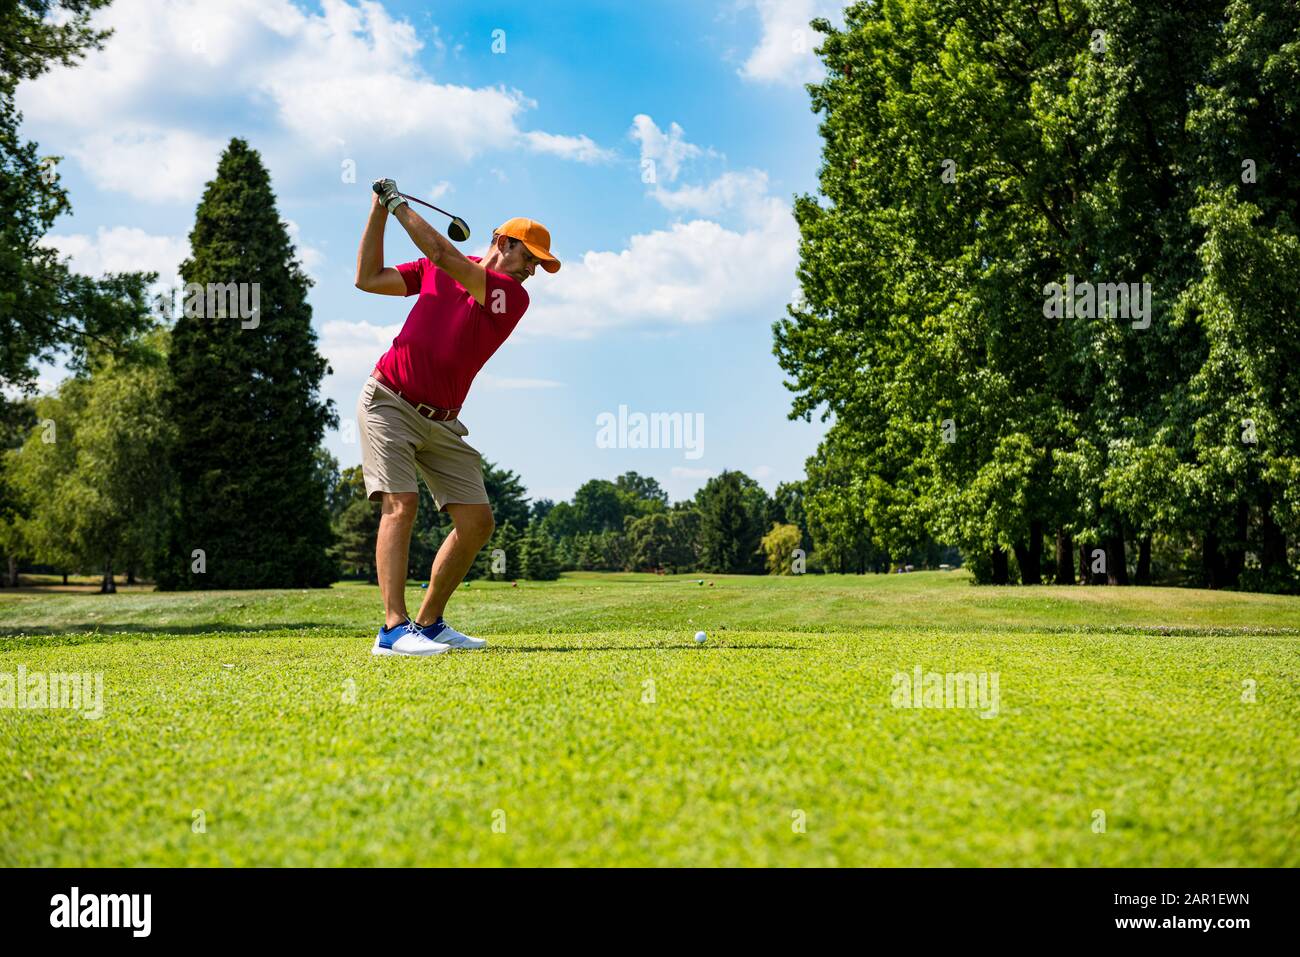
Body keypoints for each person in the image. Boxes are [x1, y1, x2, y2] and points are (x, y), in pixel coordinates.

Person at [353, 178, 559, 656]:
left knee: (478, 522)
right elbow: (367, 278)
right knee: (400, 505)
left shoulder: (511, 296)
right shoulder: (433, 268)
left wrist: (398, 202)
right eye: (529, 257)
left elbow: (447, 258)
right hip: (389, 400)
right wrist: (380, 210)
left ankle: (427, 625)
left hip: (442, 420)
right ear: (503, 243)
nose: (532, 270)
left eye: (538, 264)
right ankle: (391, 630)